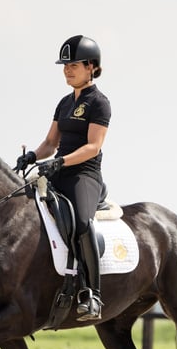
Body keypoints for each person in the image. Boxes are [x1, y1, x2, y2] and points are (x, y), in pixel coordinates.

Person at [15, 35, 111, 321]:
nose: (67, 70)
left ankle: (93, 294)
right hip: (57, 170)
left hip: (84, 175)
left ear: (91, 67)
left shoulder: (99, 103)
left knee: (82, 222)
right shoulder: (64, 103)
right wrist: (33, 156)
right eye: (65, 65)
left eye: (74, 65)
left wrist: (60, 162)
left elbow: (94, 146)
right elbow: (50, 142)